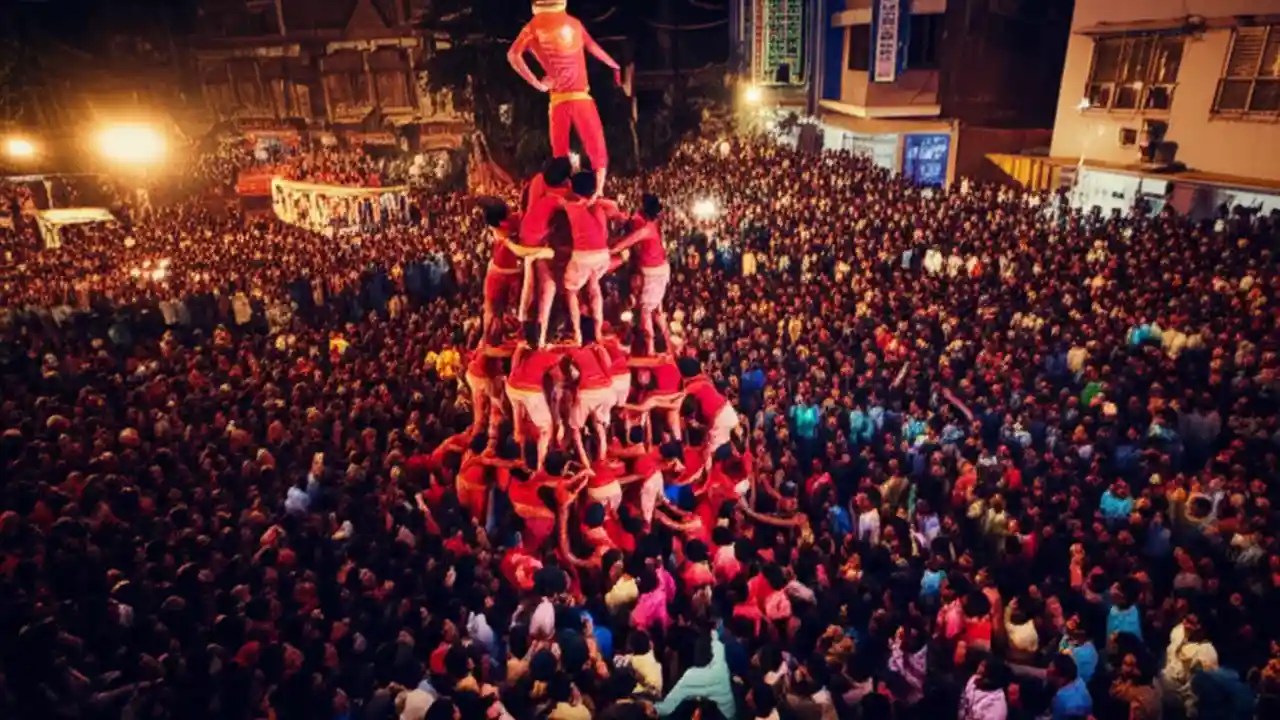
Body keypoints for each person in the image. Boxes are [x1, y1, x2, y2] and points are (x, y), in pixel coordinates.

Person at [507, 0, 625, 198]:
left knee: (559, 155)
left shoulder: (534, 26)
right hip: (580, 97)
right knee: (597, 148)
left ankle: (565, 194)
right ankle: (598, 192)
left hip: (559, 100)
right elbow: (593, 47)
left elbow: (513, 55)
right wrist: (614, 65)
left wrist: (538, 84)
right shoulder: (574, 24)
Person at [610, 193, 670, 355]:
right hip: (657, 270)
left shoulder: (646, 229)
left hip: (653, 273)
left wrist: (610, 250)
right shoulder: (654, 224)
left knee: (645, 310)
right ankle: (667, 344)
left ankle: (650, 349)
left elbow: (625, 243)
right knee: (656, 310)